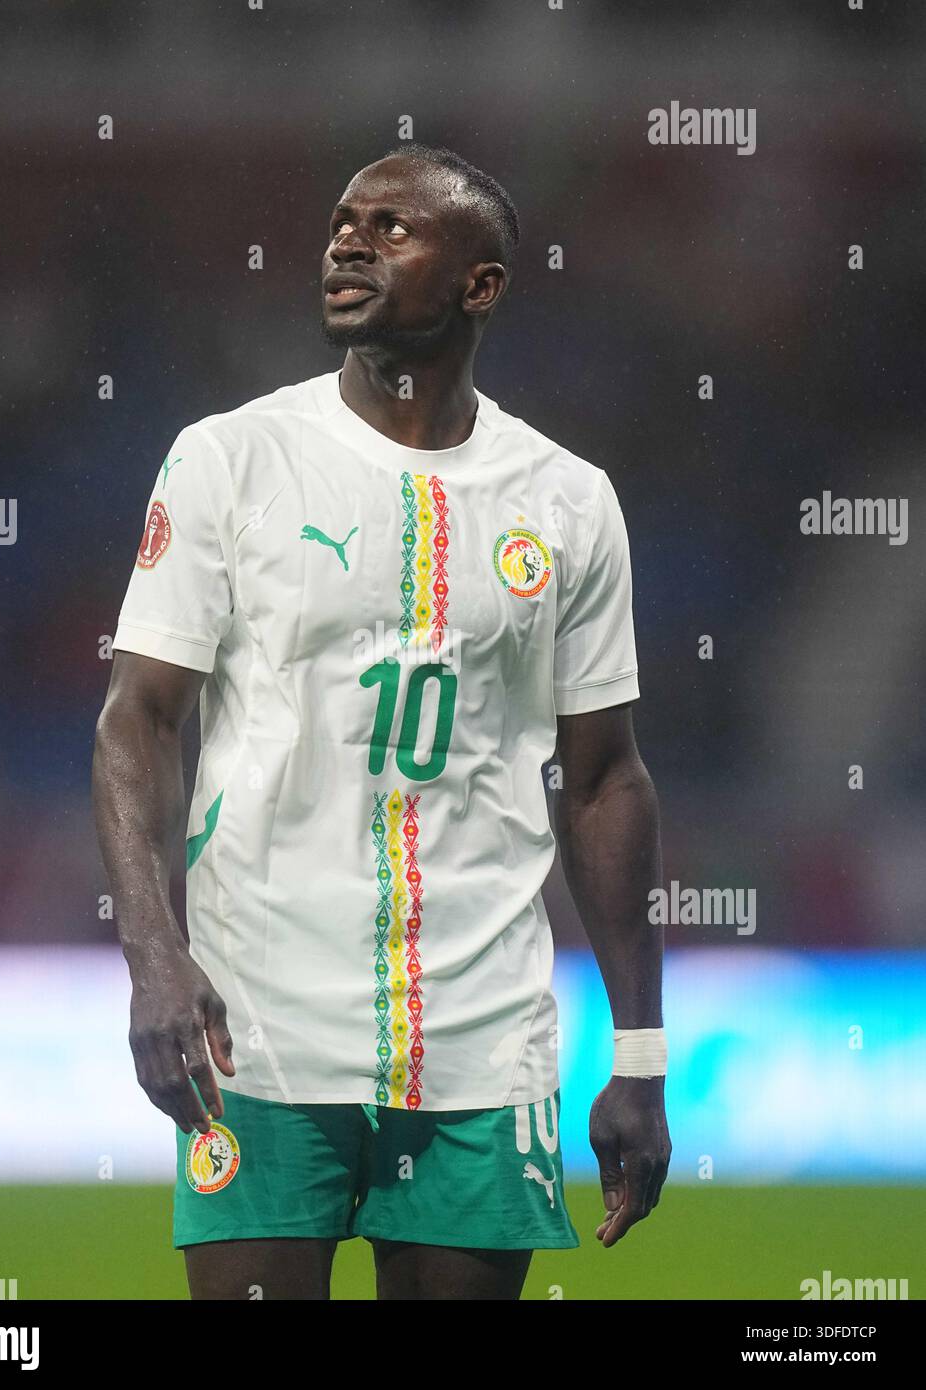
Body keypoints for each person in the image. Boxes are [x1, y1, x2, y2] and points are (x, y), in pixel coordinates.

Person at [92, 143, 670, 1301]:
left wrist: (641, 1057)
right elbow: (136, 723)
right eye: (342, 223)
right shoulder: (232, 459)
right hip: (258, 1028)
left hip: (482, 1039)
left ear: (481, 284)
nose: (348, 242)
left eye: (393, 228)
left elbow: (605, 780)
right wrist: (155, 959)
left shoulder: (567, 499)